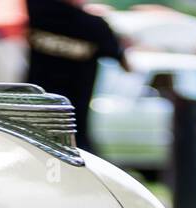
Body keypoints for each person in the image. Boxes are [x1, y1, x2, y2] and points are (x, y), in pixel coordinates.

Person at [25, 0, 127, 152]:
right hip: (71, 119)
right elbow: (126, 63)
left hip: (30, 112)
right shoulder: (94, 25)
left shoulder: (29, 13)